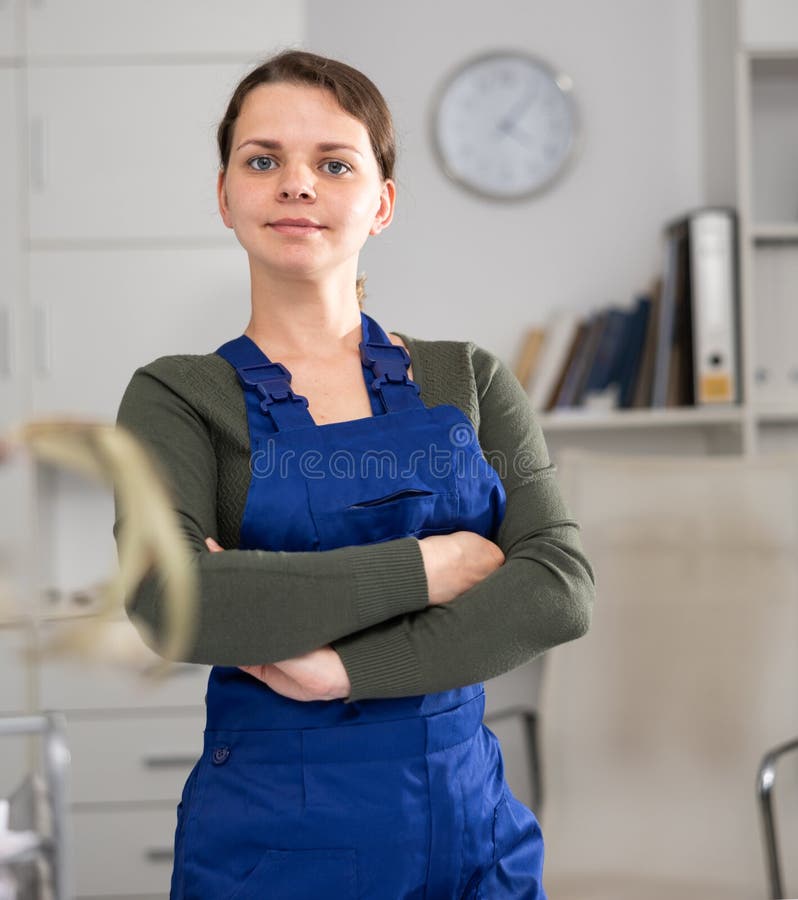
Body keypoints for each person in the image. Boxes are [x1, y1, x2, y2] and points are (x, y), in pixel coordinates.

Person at [114, 48, 595, 900]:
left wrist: (341, 671)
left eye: (334, 164)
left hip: (474, 842)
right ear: (224, 195)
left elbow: (558, 589)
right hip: (275, 856)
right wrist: (432, 566)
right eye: (262, 160)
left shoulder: (470, 380)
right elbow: (172, 600)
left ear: (382, 203)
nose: (297, 185)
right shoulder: (179, 398)